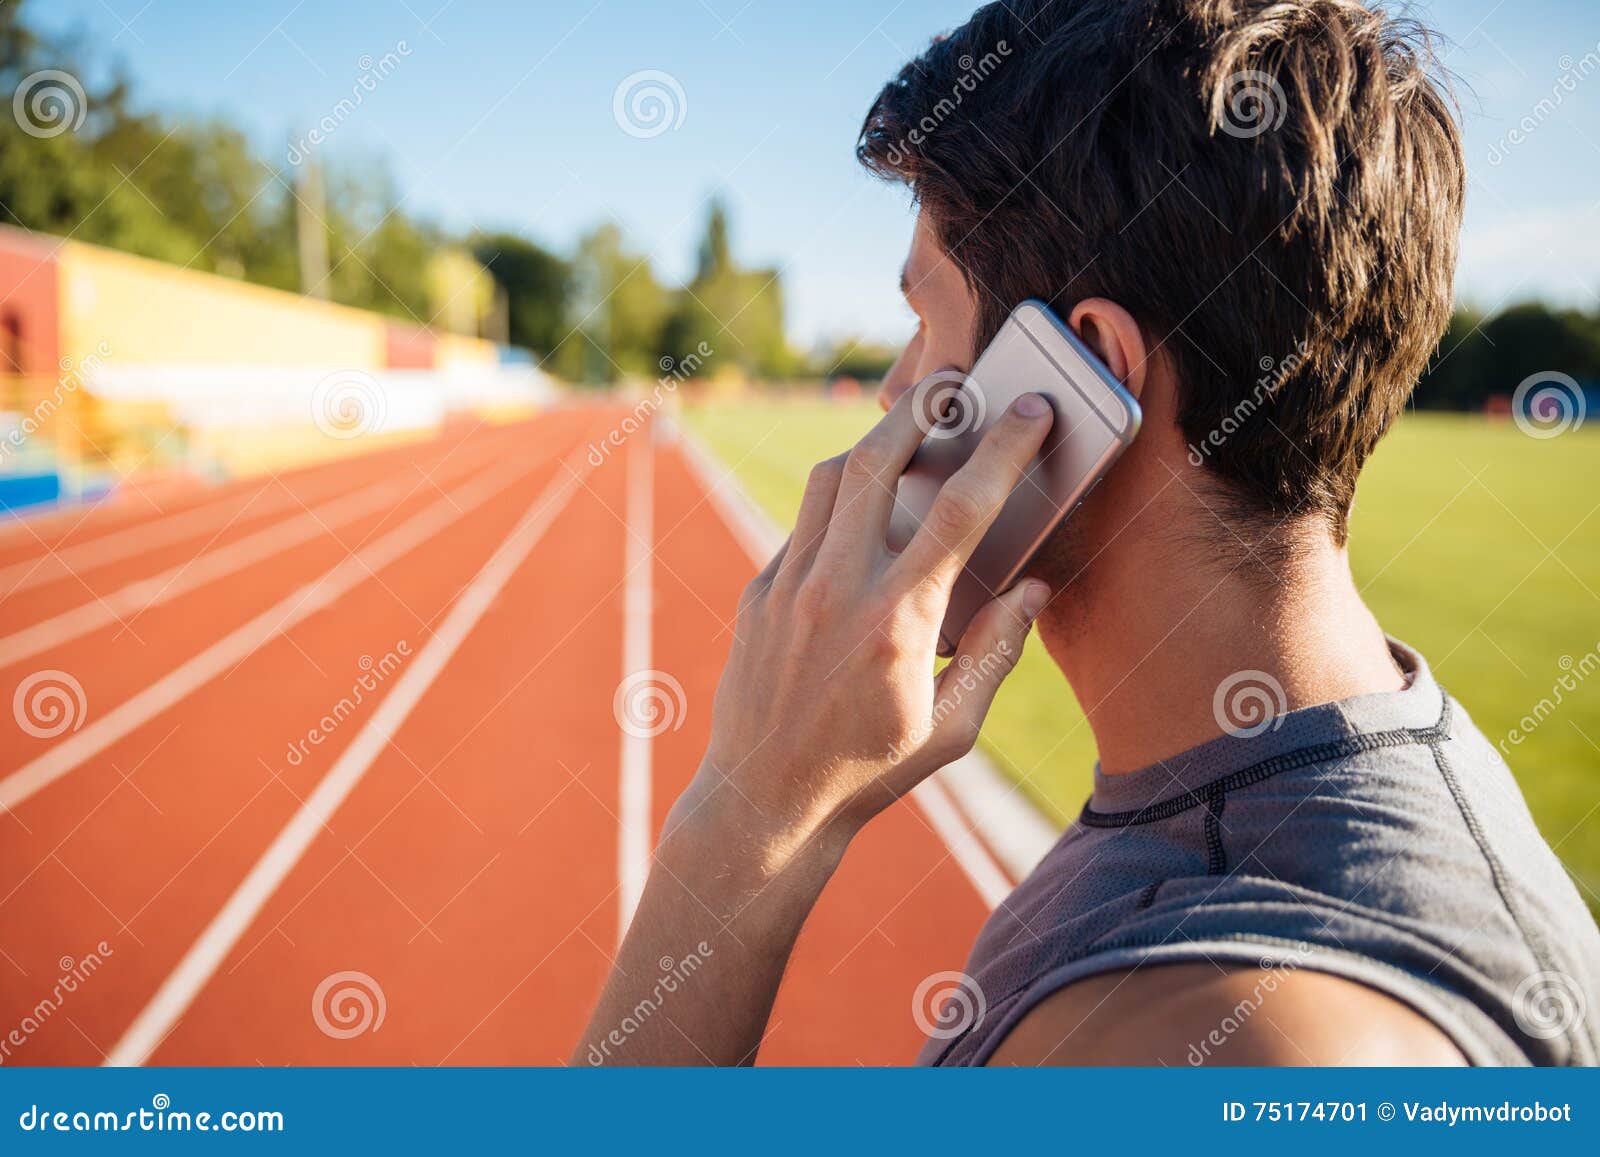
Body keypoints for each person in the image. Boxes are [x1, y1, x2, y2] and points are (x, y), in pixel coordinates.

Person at [577, 0, 1600, 1065]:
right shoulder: (1383, 771)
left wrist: (745, 822)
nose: (893, 386)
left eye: (924, 322)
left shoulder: (1222, 1036)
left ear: (1083, 378)